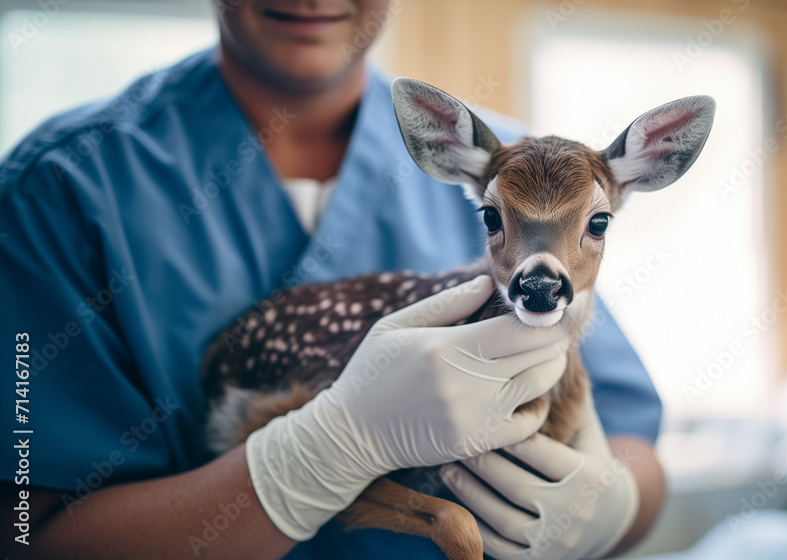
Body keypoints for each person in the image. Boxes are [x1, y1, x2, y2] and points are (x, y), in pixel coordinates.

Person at [0, 1, 665, 558]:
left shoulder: (538, 175)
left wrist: (609, 505)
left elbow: (635, 439)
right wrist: (305, 465)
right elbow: (24, 532)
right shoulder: (57, 192)